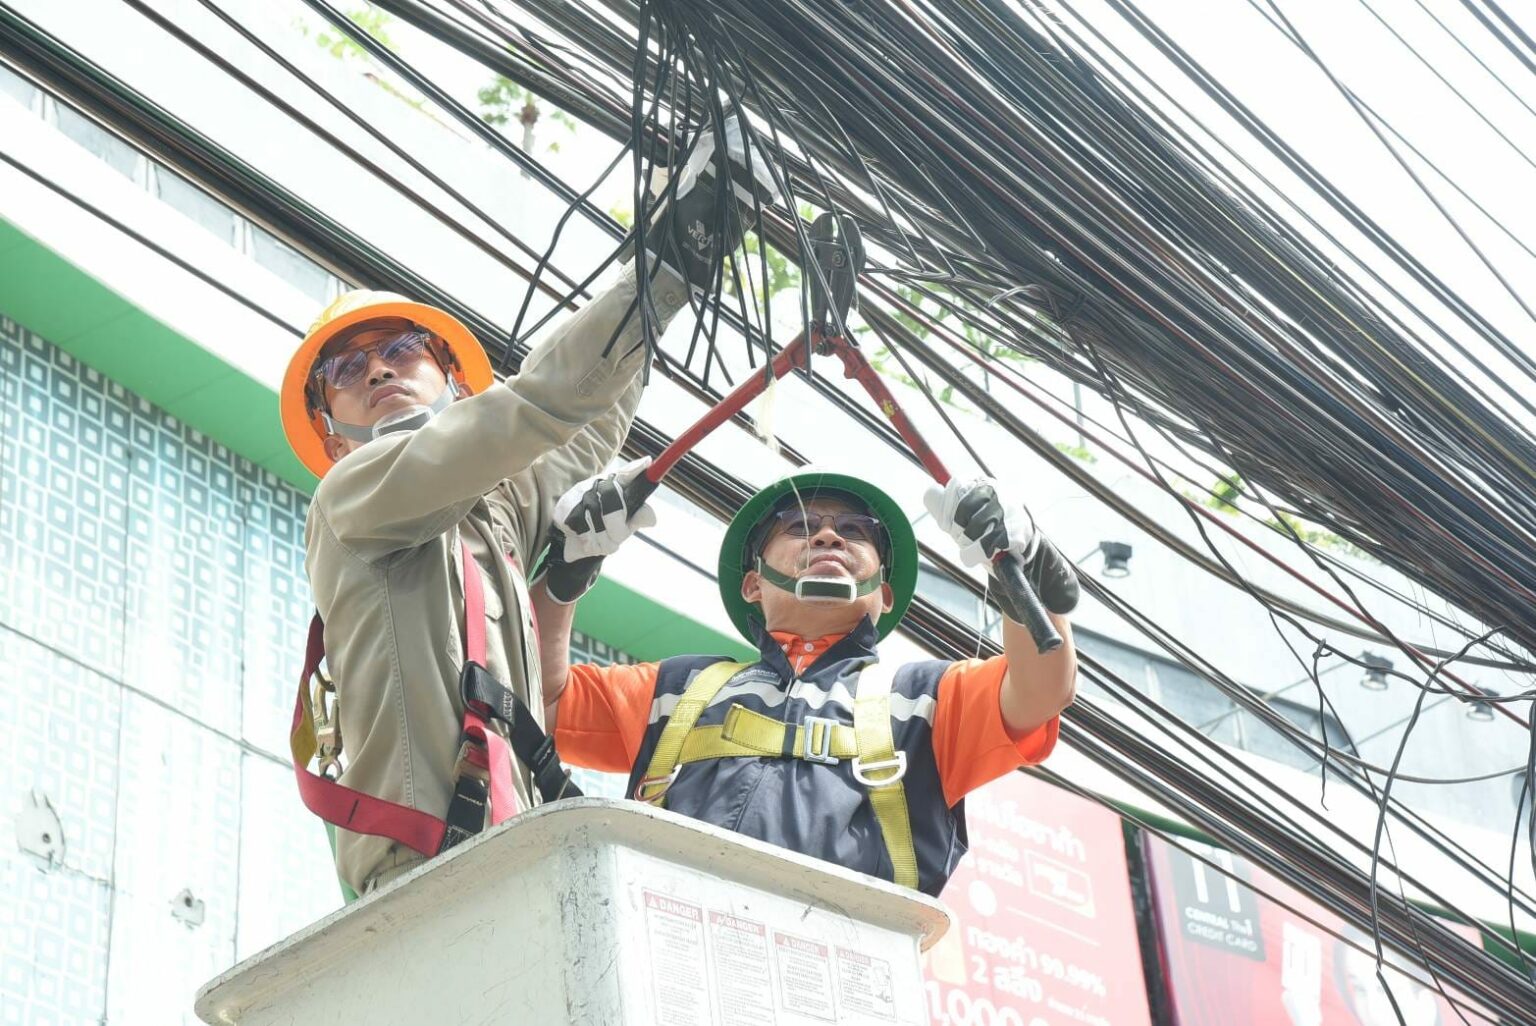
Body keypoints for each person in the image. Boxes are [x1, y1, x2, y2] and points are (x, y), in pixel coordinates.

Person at [283, 119, 779, 898]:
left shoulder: (495, 505)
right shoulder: (355, 495)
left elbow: (589, 422)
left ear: (452, 378)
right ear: (333, 435)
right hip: (419, 877)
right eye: (347, 369)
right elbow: (541, 406)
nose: (377, 367)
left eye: (403, 348)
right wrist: (669, 265)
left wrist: (654, 262)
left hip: (510, 865)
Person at [535, 467, 1079, 894]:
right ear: (753, 584)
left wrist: (1021, 563)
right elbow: (545, 698)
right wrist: (566, 571)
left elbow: (1040, 690)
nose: (827, 538)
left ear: (883, 594)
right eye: (800, 527)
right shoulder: (681, 689)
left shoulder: (923, 697)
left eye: (854, 532)